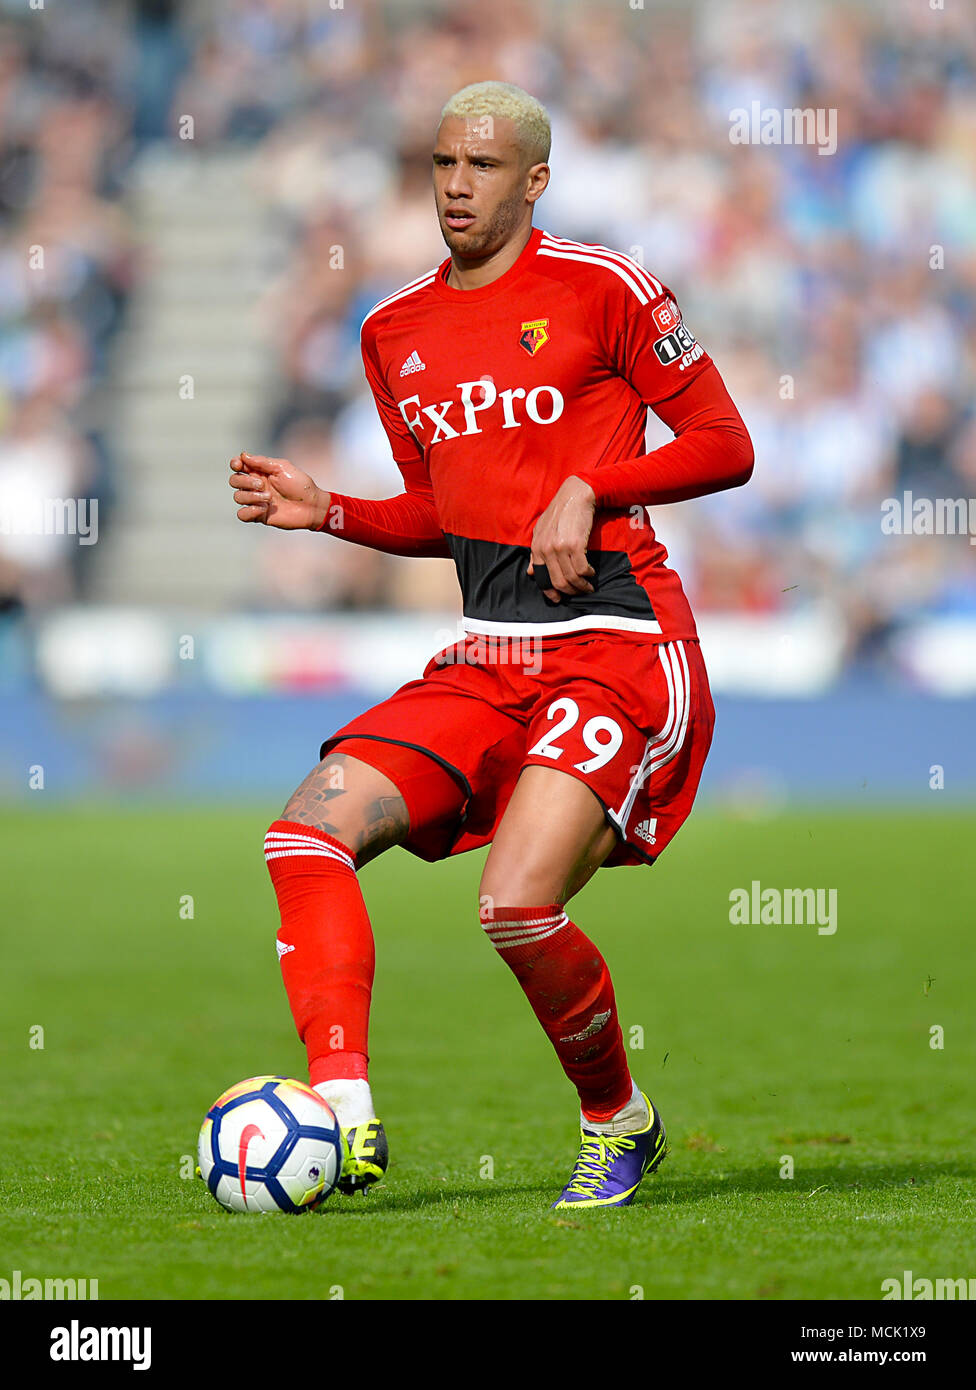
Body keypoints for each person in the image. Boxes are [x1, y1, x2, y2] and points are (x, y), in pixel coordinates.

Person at [229, 81, 753, 1208]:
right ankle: (344, 1112)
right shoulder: (392, 331)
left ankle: (617, 1121)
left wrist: (592, 484)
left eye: (480, 166)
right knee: (302, 837)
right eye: (440, 165)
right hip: (486, 652)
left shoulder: (602, 287)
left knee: (516, 906)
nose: (455, 186)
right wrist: (330, 510)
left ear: (534, 180)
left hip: (615, 636)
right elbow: (445, 513)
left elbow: (726, 442)